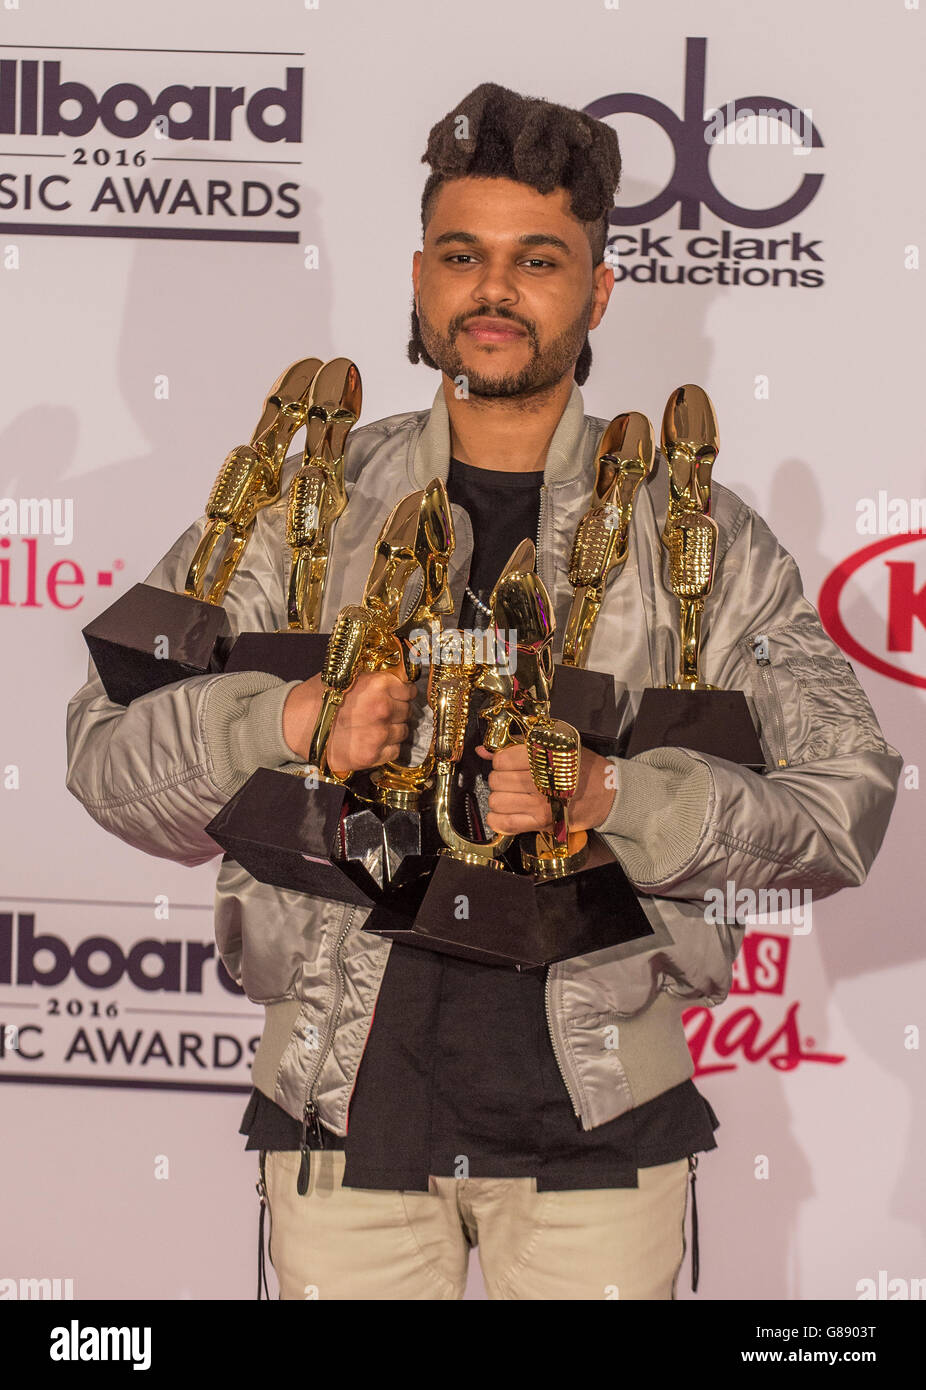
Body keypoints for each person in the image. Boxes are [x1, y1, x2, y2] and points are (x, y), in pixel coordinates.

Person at [65, 83, 902, 1301]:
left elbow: (847, 804)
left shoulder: (701, 541)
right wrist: (286, 718)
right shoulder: (296, 510)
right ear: (418, 276)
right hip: (342, 1125)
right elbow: (102, 754)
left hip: (598, 1141)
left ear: (598, 290)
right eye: (463, 256)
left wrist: (612, 791)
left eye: (537, 260)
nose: (493, 290)